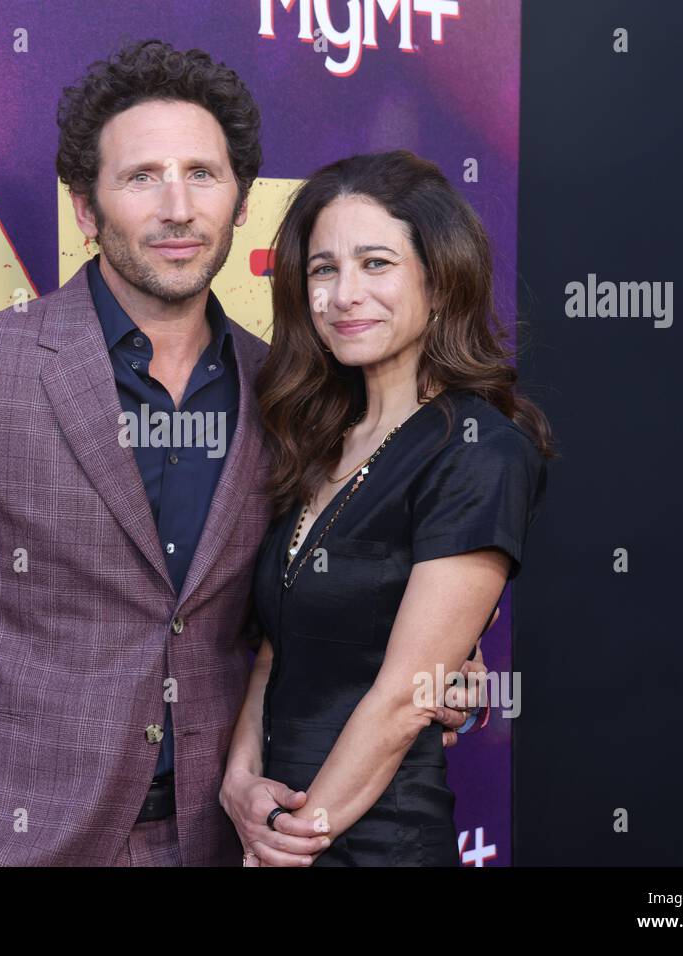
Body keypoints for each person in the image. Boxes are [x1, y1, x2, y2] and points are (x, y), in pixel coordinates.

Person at [0, 41, 476, 868]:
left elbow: (338, 568)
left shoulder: (288, 386)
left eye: (203, 175)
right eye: (141, 178)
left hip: (221, 832)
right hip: (12, 842)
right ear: (86, 210)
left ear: (240, 202)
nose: (178, 208)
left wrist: (456, 657)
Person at [221, 150, 552, 866]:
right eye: (322, 269)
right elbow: (276, 649)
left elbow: (408, 697)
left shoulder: (479, 450)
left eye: (376, 264)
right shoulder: (317, 437)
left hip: (372, 841)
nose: (343, 295)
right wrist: (239, 781)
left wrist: (291, 843)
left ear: (439, 280)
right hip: (271, 826)